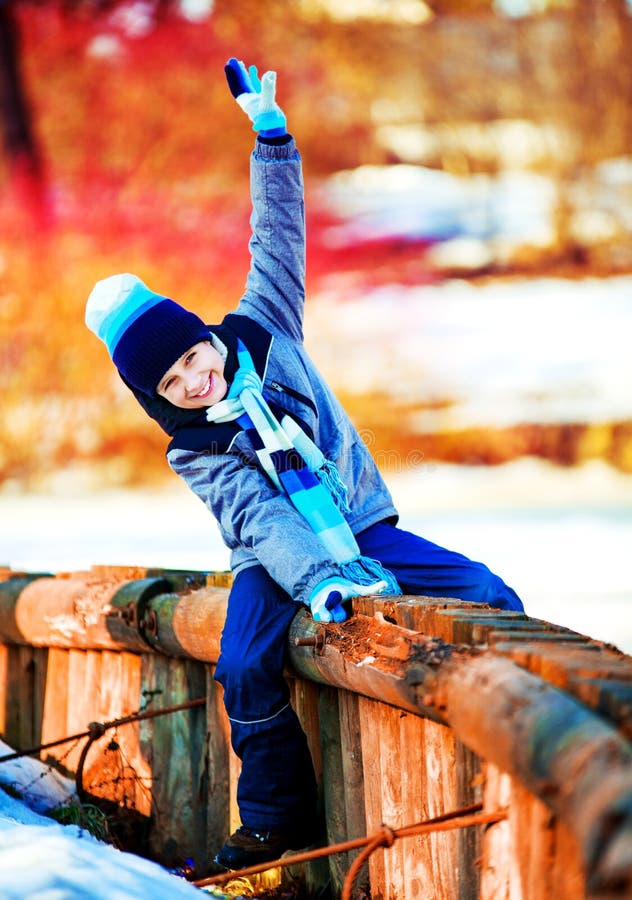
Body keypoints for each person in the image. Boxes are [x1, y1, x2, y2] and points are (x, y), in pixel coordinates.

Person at [85, 57, 523, 870]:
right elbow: (259, 517)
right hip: (278, 559)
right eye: (173, 383)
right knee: (246, 665)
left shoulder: (265, 328)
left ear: (200, 333)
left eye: (189, 356)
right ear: (160, 397)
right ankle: (273, 821)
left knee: (485, 593)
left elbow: (277, 234)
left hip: (359, 522)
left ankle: (515, 743)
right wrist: (318, 579)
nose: (195, 379)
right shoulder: (194, 446)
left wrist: (273, 137)